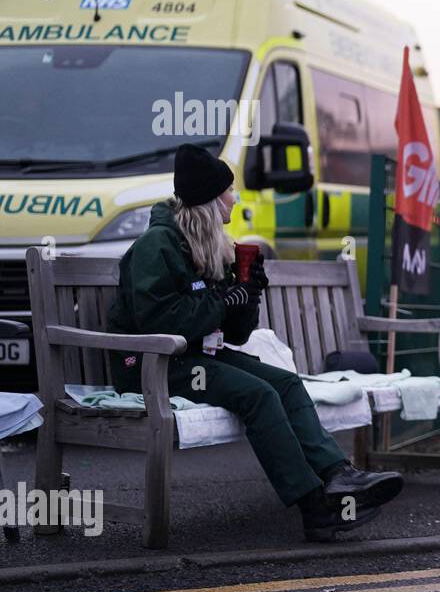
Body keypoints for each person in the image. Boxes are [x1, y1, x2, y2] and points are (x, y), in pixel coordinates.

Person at [105, 143, 403, 541]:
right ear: (210, 200)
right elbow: (162, 323)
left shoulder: (206, 245)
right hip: (151, 365)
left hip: (194, 356)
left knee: (284, 381)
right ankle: (315, 508)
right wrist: (220, 300)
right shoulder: (156, 247)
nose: (235, 198)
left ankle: (338, 475)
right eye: (228, 191)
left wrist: (246, 292)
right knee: (258, 394)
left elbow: (234, 336)